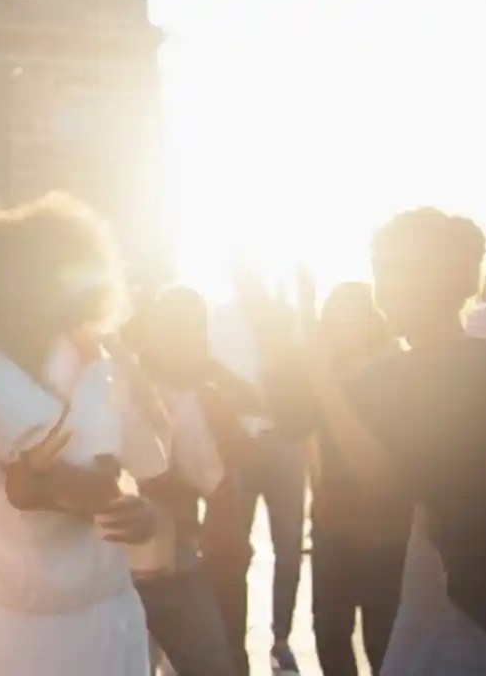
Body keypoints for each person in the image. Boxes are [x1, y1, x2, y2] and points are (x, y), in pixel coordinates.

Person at [0, 194, 164, 675]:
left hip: (109, 610)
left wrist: (135, 505)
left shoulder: (77, 365)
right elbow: (88, 486)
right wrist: (102, 372)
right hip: (33, 635)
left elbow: (148, 460)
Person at [313, 208, 486, 674]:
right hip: (440, 591)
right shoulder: (471, 364)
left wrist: (318, 378)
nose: (381, 293)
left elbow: (387, 485)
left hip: (469, 601)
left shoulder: (455, 376)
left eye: (388, 275)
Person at [124, 286, 241, 676]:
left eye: (196, 330)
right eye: (178, 328)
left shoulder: (201, 398)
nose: (189, 339)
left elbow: (214, 484)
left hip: (177, 565)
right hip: (116, 574)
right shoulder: (120, 384)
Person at [206, 264, 312, 674]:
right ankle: (234, 642)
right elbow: (207, 373)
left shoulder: (284, 317)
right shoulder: (219, 322)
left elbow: (301, 373)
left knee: (288, 546)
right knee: (236, 547)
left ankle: (280, 640)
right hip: (238, 445)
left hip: (284, 441)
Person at [300, 282, 410, 675]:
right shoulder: (321, 374)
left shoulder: (395, 368)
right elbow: (307, 436)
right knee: (329, 630)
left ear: (370, 318)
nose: (346, 325)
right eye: (338, 317)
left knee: (382, 636)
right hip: (332, 516)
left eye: (354, 315)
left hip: (384, 524)